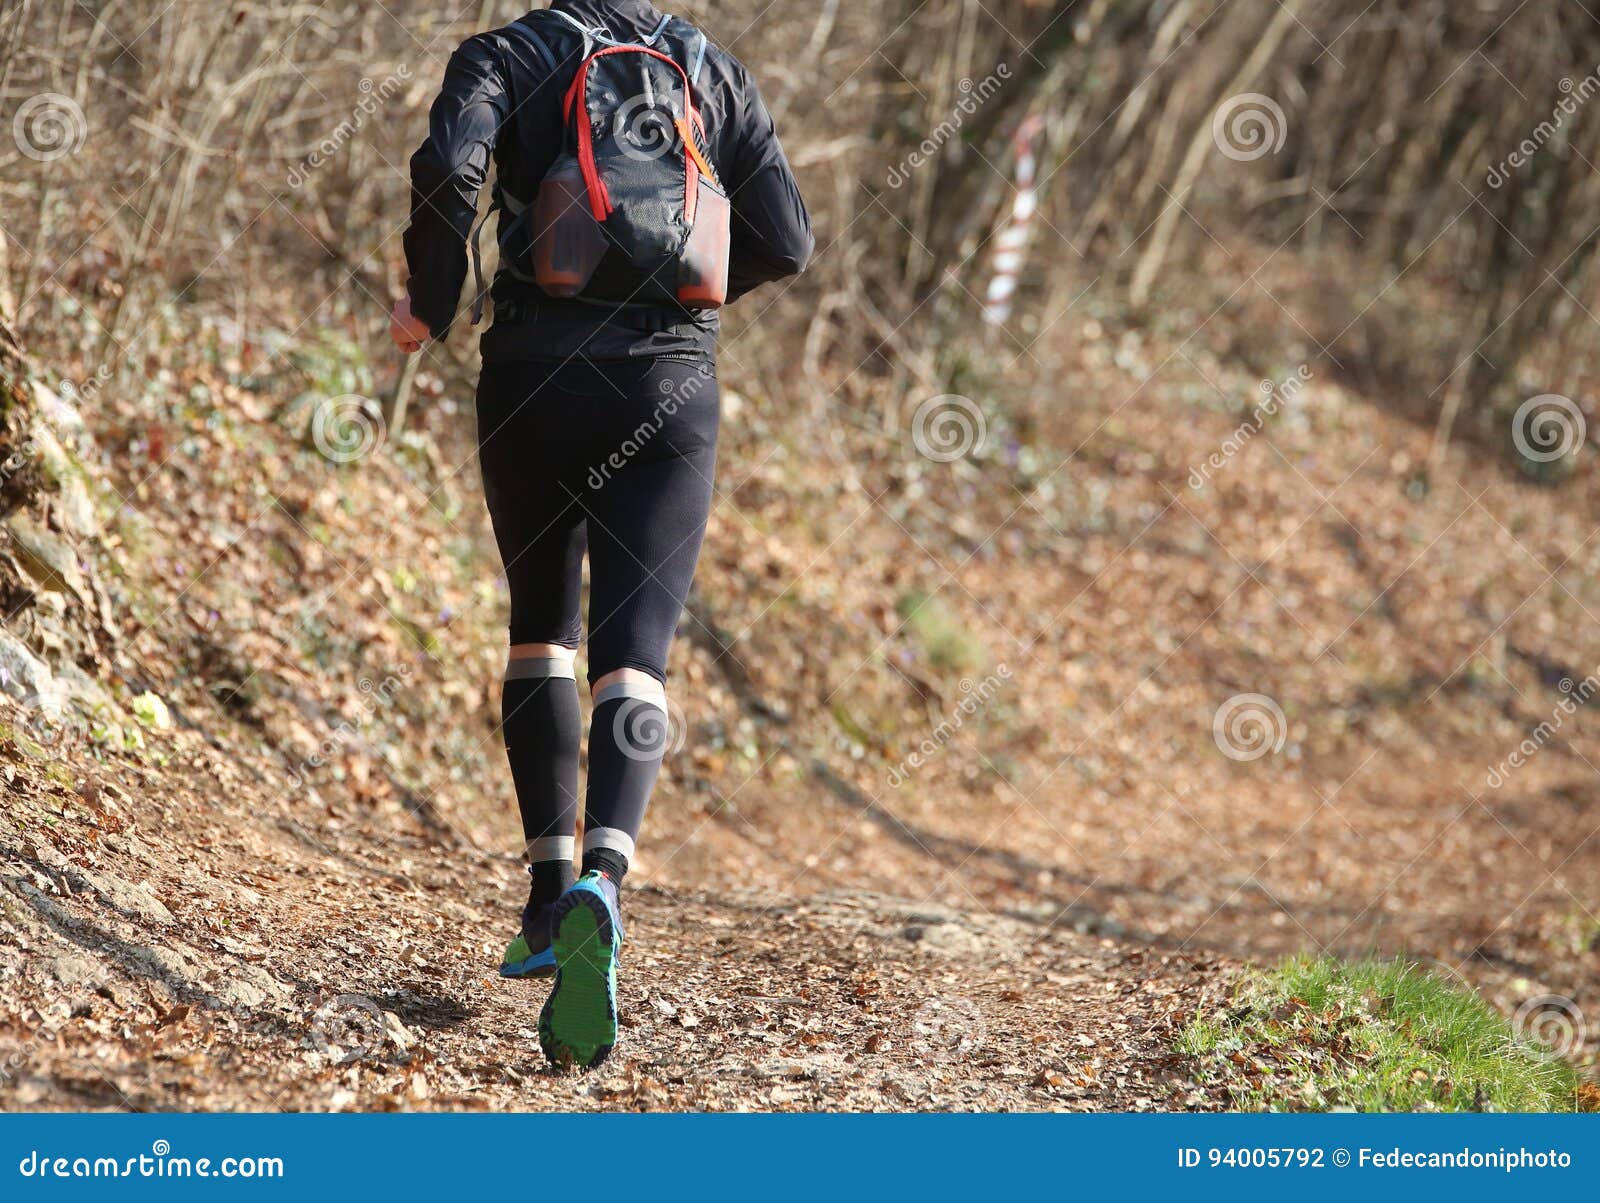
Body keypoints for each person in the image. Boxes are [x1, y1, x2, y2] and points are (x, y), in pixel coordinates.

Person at [390, 0, 811, 1070]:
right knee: (639, 652)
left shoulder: (504, 54)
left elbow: (448, 172)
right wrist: (686, 300)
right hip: (669, 389)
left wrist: (431, 303)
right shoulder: (706, 67)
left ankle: (543, 899)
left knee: (543, 629)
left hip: (532, 375)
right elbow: (788, 241)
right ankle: (603, 884)